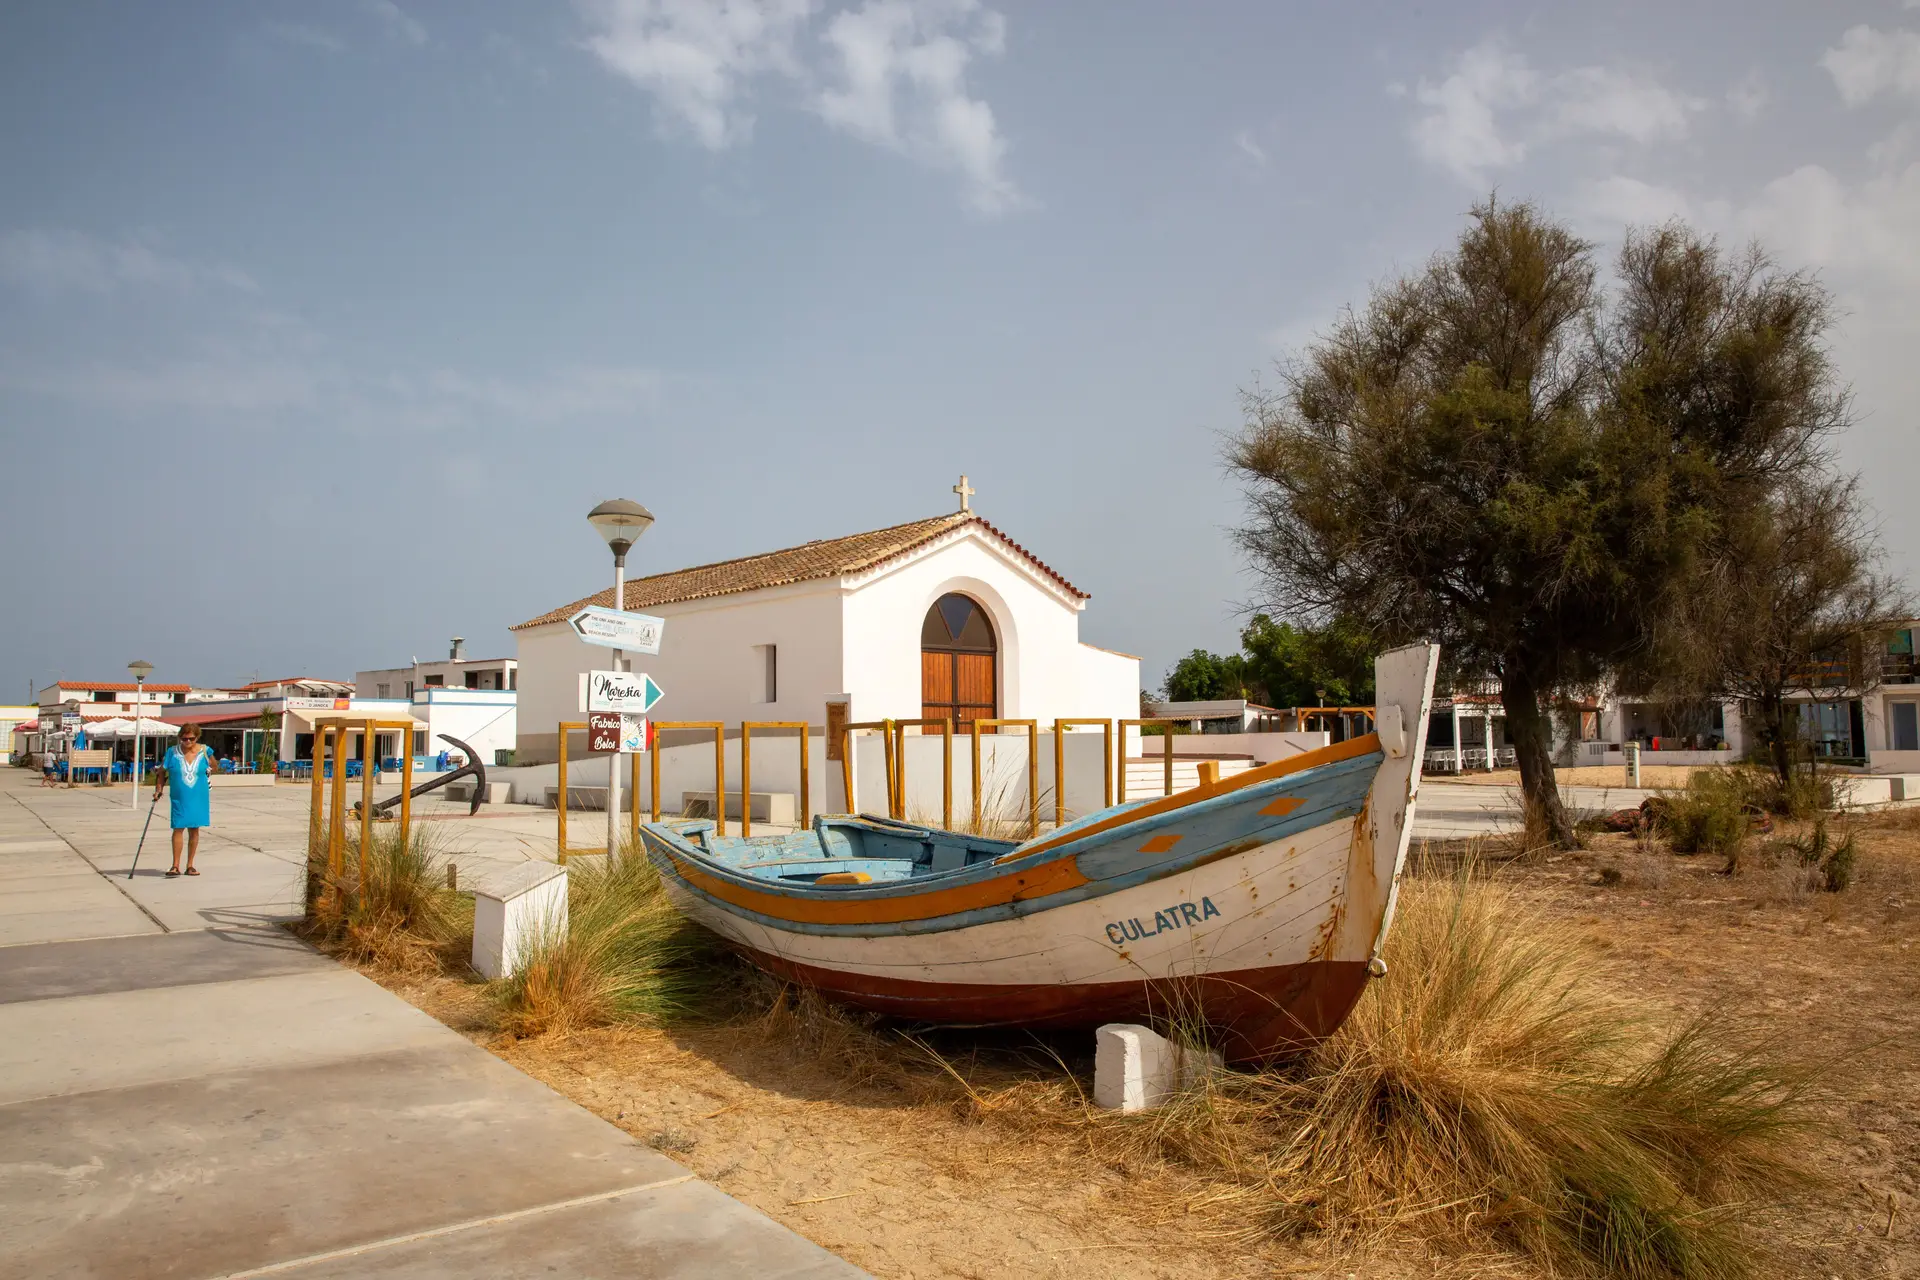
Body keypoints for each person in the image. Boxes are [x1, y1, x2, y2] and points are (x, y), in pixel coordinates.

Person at [153, 724, 214, 877]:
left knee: (194, 829)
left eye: (191, 739)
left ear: (197, 737)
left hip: (198, 796)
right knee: (178, 827)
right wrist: (159, 789)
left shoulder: (205, 751)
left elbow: (214, 766)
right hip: (179, 797)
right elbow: (161, 771)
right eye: (184, 739)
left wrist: (208, 770)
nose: (187, 742)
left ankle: (190, 865)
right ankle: (175, 865)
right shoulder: (172, 752)